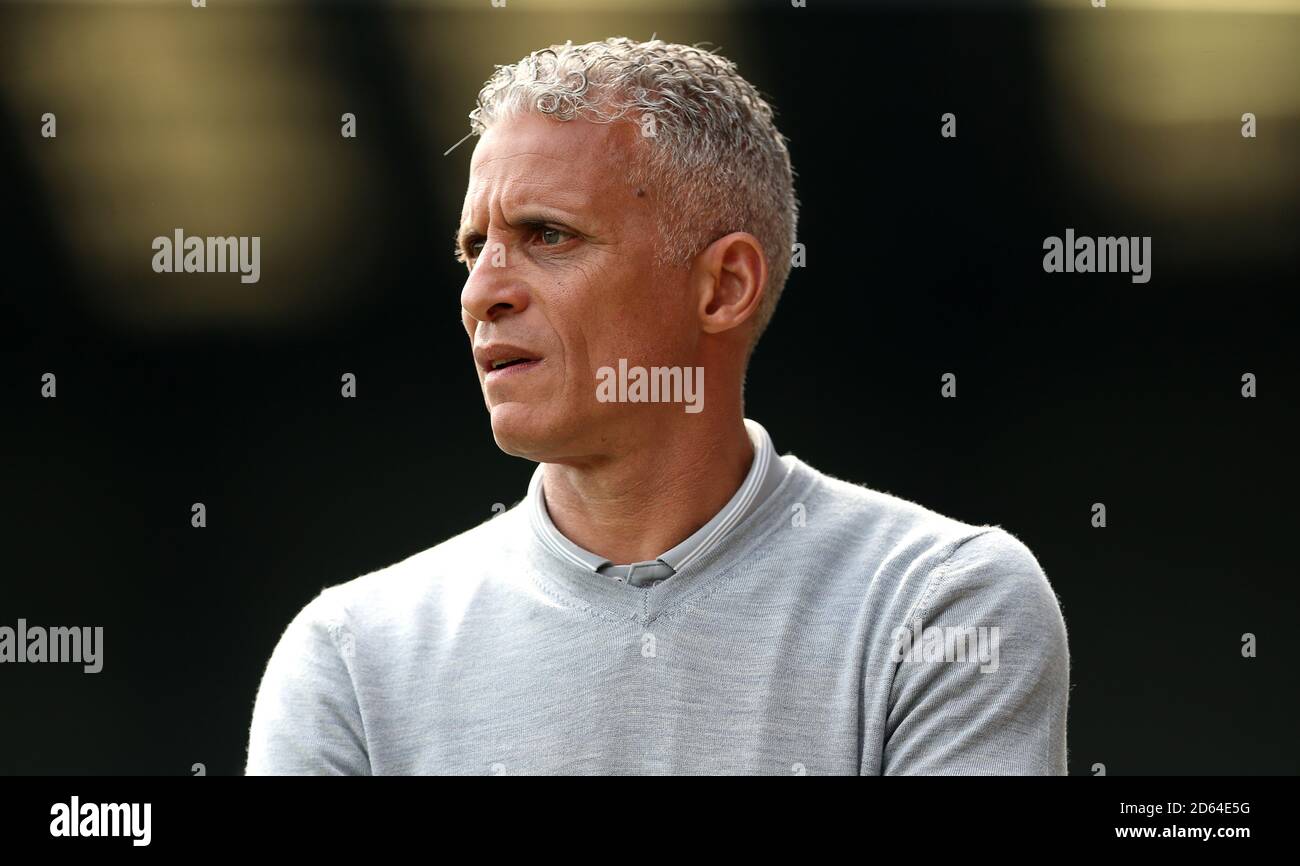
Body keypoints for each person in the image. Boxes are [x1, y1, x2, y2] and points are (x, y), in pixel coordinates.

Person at [246, 37, 1069, 775]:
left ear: (724, 286)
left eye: (548, 235)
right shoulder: (350, 658)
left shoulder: (940, 601)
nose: (480, 293)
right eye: (474, 248)